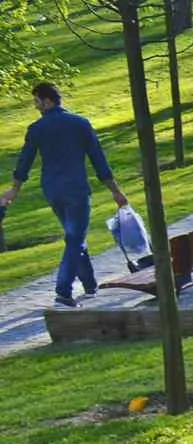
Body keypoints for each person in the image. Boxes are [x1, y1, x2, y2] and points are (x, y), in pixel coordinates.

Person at [2, 84, 129, 309]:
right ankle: (63, 291)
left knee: (74, 237)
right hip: (76, 189)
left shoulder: (37, 128)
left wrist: (14, 189)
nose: (36, 107)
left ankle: (89, 284)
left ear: (48, 101)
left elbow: (25, 162)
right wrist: (115, 191)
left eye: (37, 102)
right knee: (75, 238)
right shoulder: (80, 124)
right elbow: (99, 160)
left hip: (52, 190)